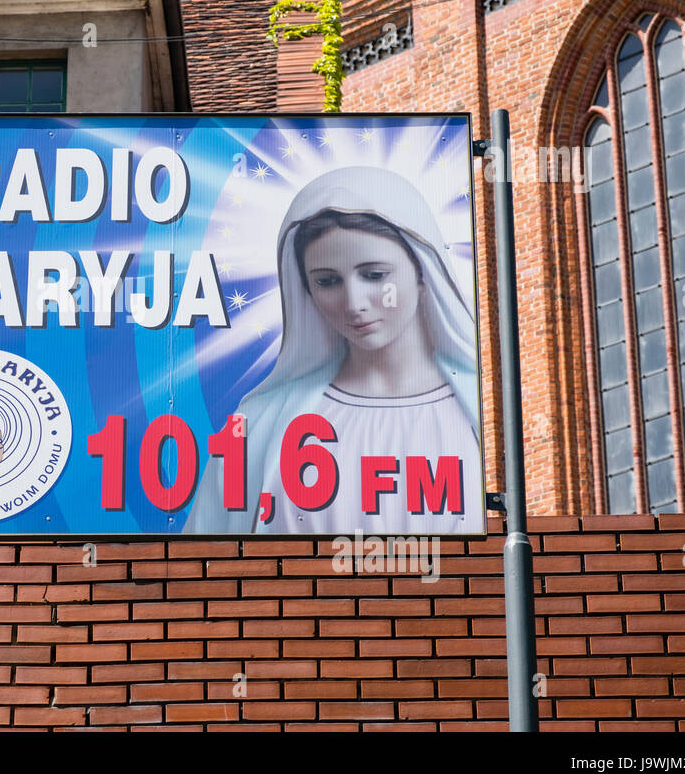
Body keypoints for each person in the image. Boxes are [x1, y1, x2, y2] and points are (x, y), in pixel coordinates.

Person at [183, 165, 483, 535]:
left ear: (422, 271)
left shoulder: (483, 412)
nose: (354, 302)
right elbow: (206, 565)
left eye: (374, 275)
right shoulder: (259, 425)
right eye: (327, 281)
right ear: (306, 290)